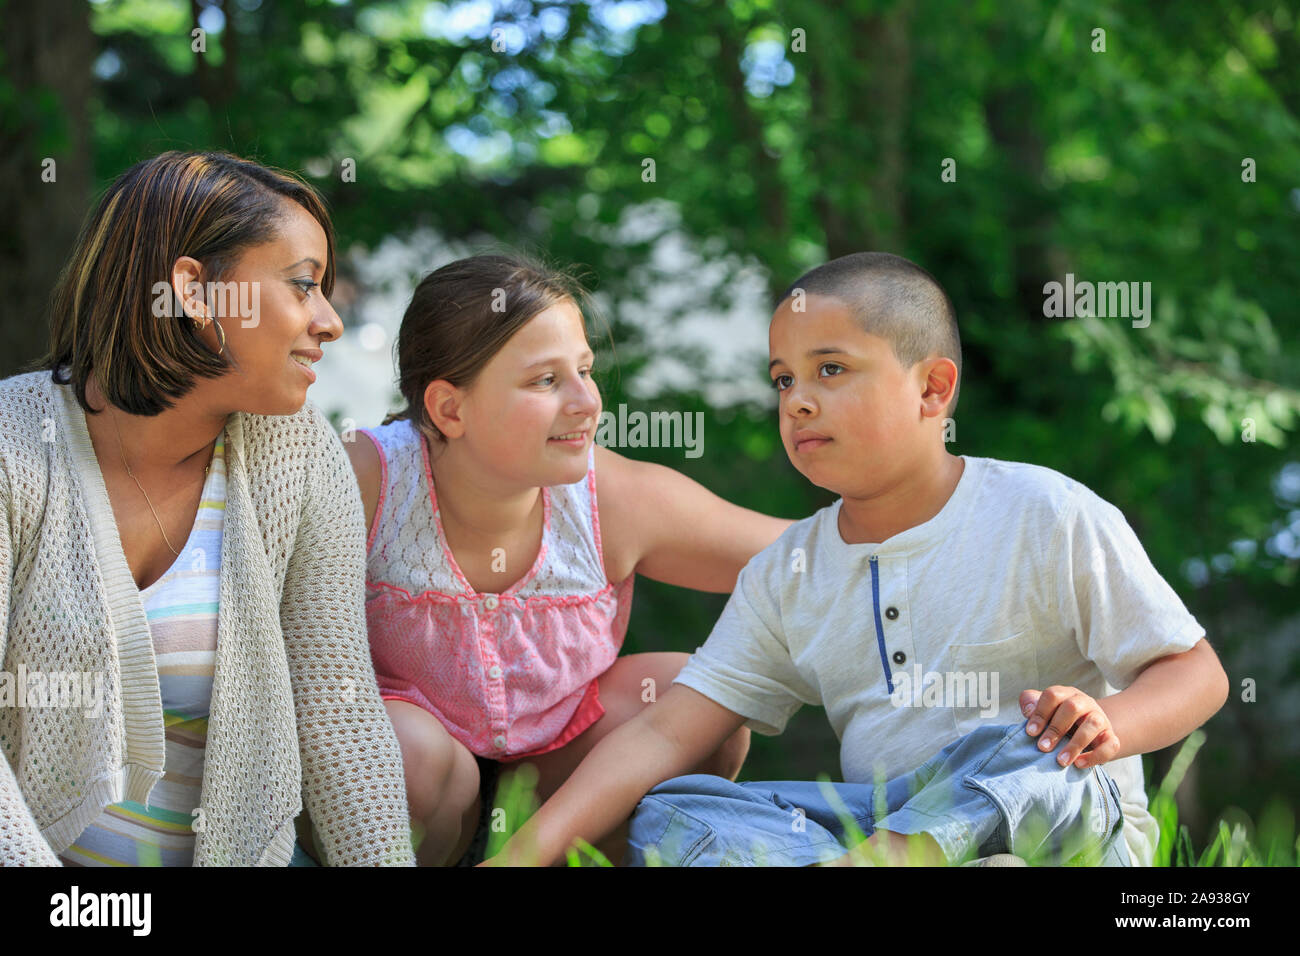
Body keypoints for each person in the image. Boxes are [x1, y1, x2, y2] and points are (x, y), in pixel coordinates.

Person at [483, 251, 1230, 867]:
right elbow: (663, 731)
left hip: (1051, 814)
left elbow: (1197, 673)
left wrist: (1107, 723)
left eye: (831, 370)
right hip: (877, 824)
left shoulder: (1046, 512)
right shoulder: (790, 569)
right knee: (671, 808)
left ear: (933, 389)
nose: (798, 401)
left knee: (1022, 749)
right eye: (783, 380)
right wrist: (518, 857)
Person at [0, 150, 415, 866]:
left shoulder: (303, 457)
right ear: (194, 291)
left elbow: (338, 714)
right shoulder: (13, 445)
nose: (329, 321)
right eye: (303, 286)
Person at [344, 253, 793, 865]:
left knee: (692, 697)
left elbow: (803, 558)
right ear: (450, 409)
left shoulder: (611, 498)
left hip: (562, 776)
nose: (587, 402)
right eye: (546, 380)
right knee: (410, 751)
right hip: (416, 779)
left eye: (585, 370)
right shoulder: (367, 481)